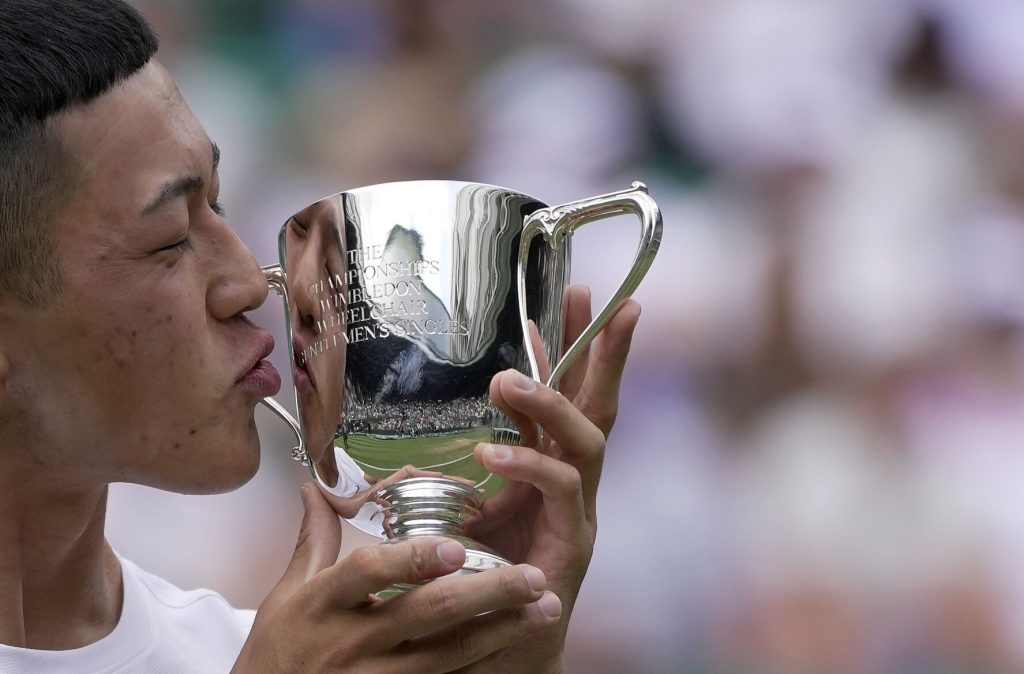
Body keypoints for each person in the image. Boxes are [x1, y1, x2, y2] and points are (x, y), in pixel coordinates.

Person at [0, 1, 642, 672]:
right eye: (169, 240)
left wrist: (493, 644)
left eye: (216, 204)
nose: (250, 282)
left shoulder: (261, 653)